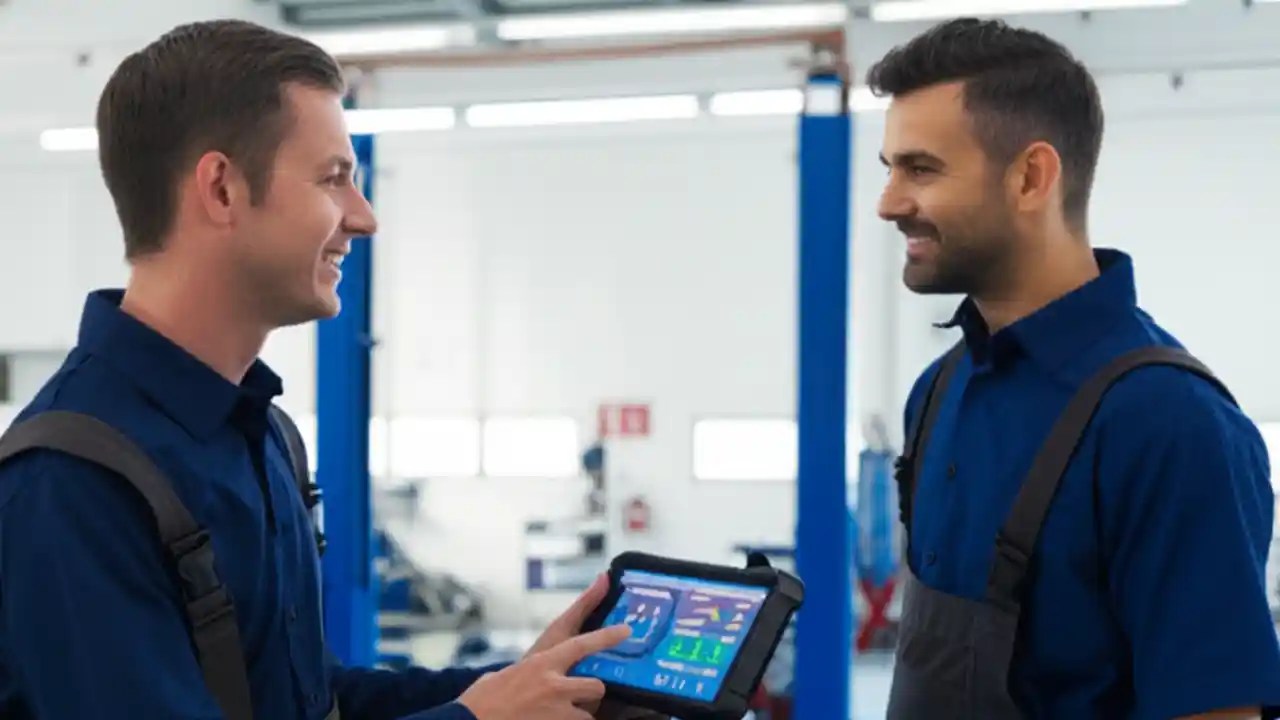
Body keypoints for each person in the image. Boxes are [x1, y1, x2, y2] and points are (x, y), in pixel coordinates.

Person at [0, 19, 656, 720]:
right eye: (333, 179)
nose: (364, 217)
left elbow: (306, 701)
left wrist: (530, 686)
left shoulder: (266, 436)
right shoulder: (70, 485)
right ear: (221, 189)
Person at [868, 17, 1280, 720]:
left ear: (1031, 177)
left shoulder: (1169, 424)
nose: (889, 204)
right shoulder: (937, 392)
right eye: (890, 170)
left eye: (922, 169)